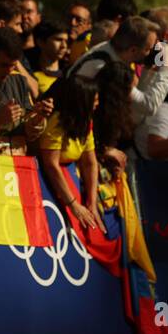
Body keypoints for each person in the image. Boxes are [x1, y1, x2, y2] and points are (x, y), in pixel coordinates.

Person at [37, 71, 101, 230]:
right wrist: (74, 205)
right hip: (47, 182)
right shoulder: (57, 121)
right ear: (82, 102)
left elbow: (89, 163)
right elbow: (51, 164)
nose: (97, 104)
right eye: (95, 100)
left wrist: (92, 203)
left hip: (67, 182)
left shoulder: (86, 122)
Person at [28, 19, 69, 94]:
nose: (64, 46)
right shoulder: (28, 73)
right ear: (41, 42)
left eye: (66, 41)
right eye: (58, 40)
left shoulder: (69, 75)